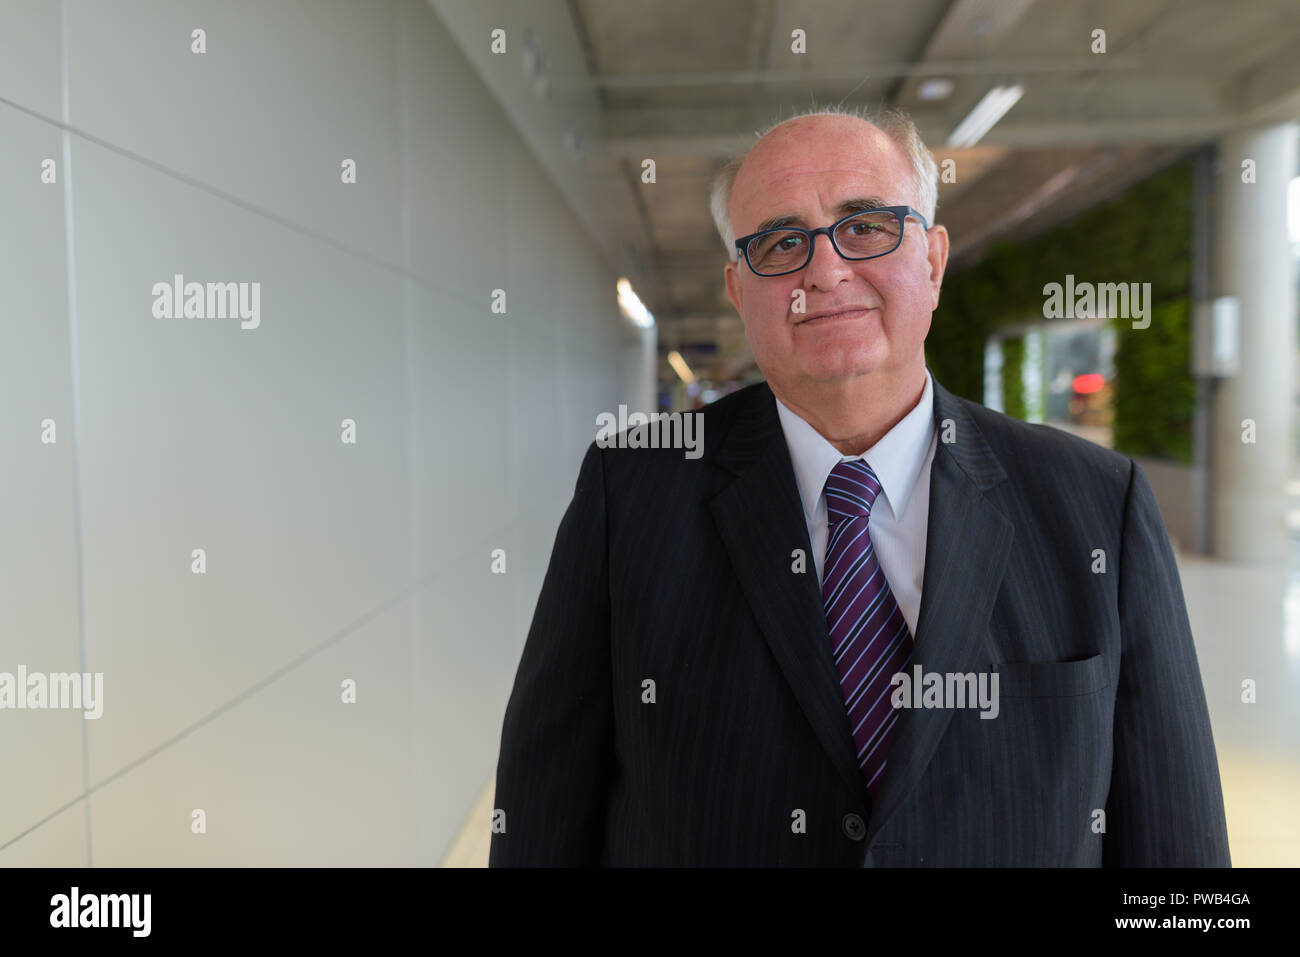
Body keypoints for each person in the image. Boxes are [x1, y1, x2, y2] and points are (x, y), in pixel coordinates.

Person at [488, 105, 1231, 866]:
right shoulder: (630, 496)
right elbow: (543, 814)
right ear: (740, 291)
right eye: (780, 242)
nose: (825, 269)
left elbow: (1178, 851)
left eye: (866, 226)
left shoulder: (1097, 505)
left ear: (934, 261)